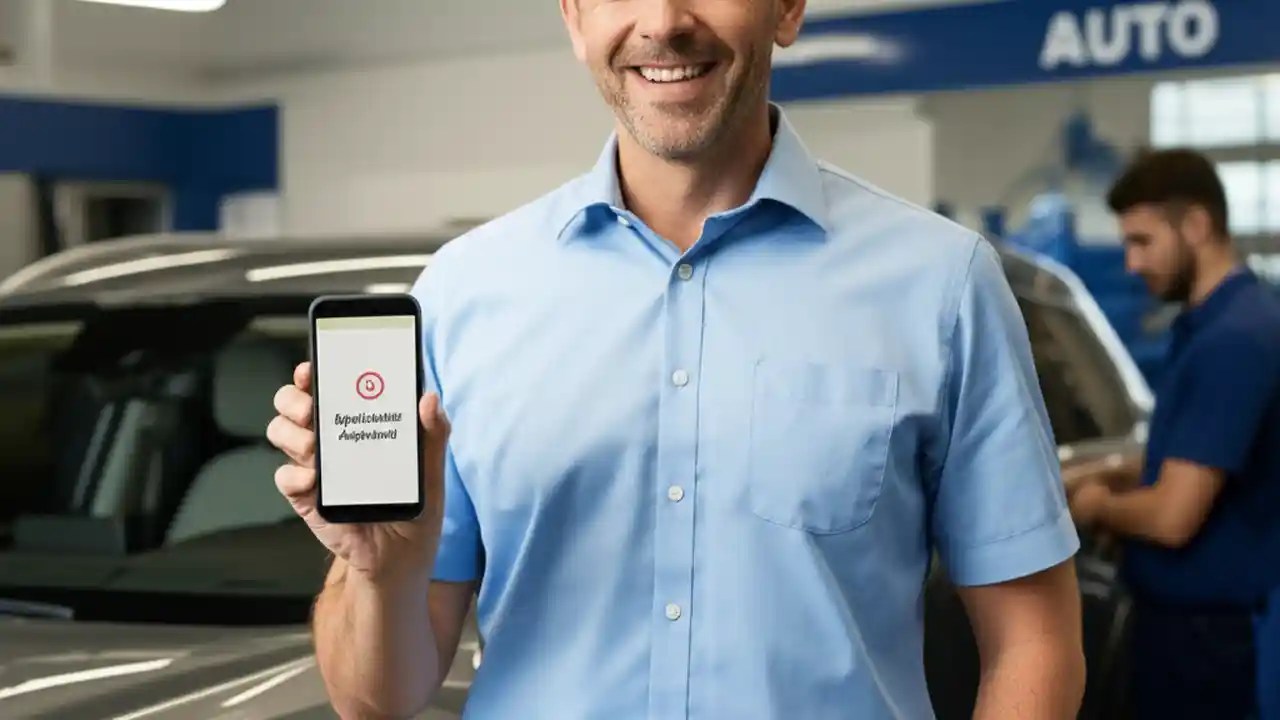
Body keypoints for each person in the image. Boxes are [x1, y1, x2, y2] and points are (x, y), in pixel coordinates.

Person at [267, 1, 1087, 717]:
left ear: (787, 7)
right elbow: (376, 700)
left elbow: (1034, 644)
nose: (663, 22)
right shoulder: (461, 295)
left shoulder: (941, 283)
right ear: (574, 15)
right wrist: (382, 576)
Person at [1067, 148, 1280, 719]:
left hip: (1208, 646)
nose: (1132, 264)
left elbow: (1172, 517)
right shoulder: (1216, 325)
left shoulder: (1234, 340)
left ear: (1197, 226)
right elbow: (1195, 453)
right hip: (1189, 633)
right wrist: (1109, 470)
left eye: (1142, 241)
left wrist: (1095, 505)